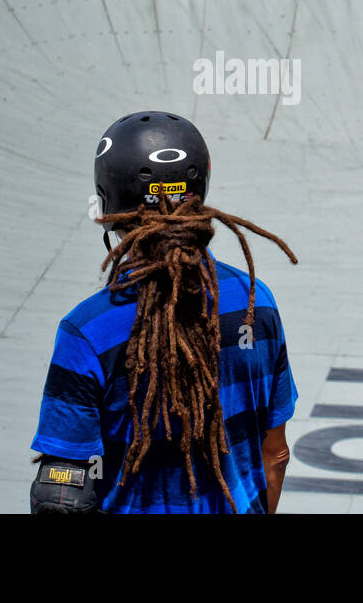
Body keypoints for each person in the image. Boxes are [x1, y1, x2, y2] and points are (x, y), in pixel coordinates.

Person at [30, 111, 299, 513]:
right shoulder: (256, 304)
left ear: (109, 205)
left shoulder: (89, 331)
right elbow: (274, 454)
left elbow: (62, 497)